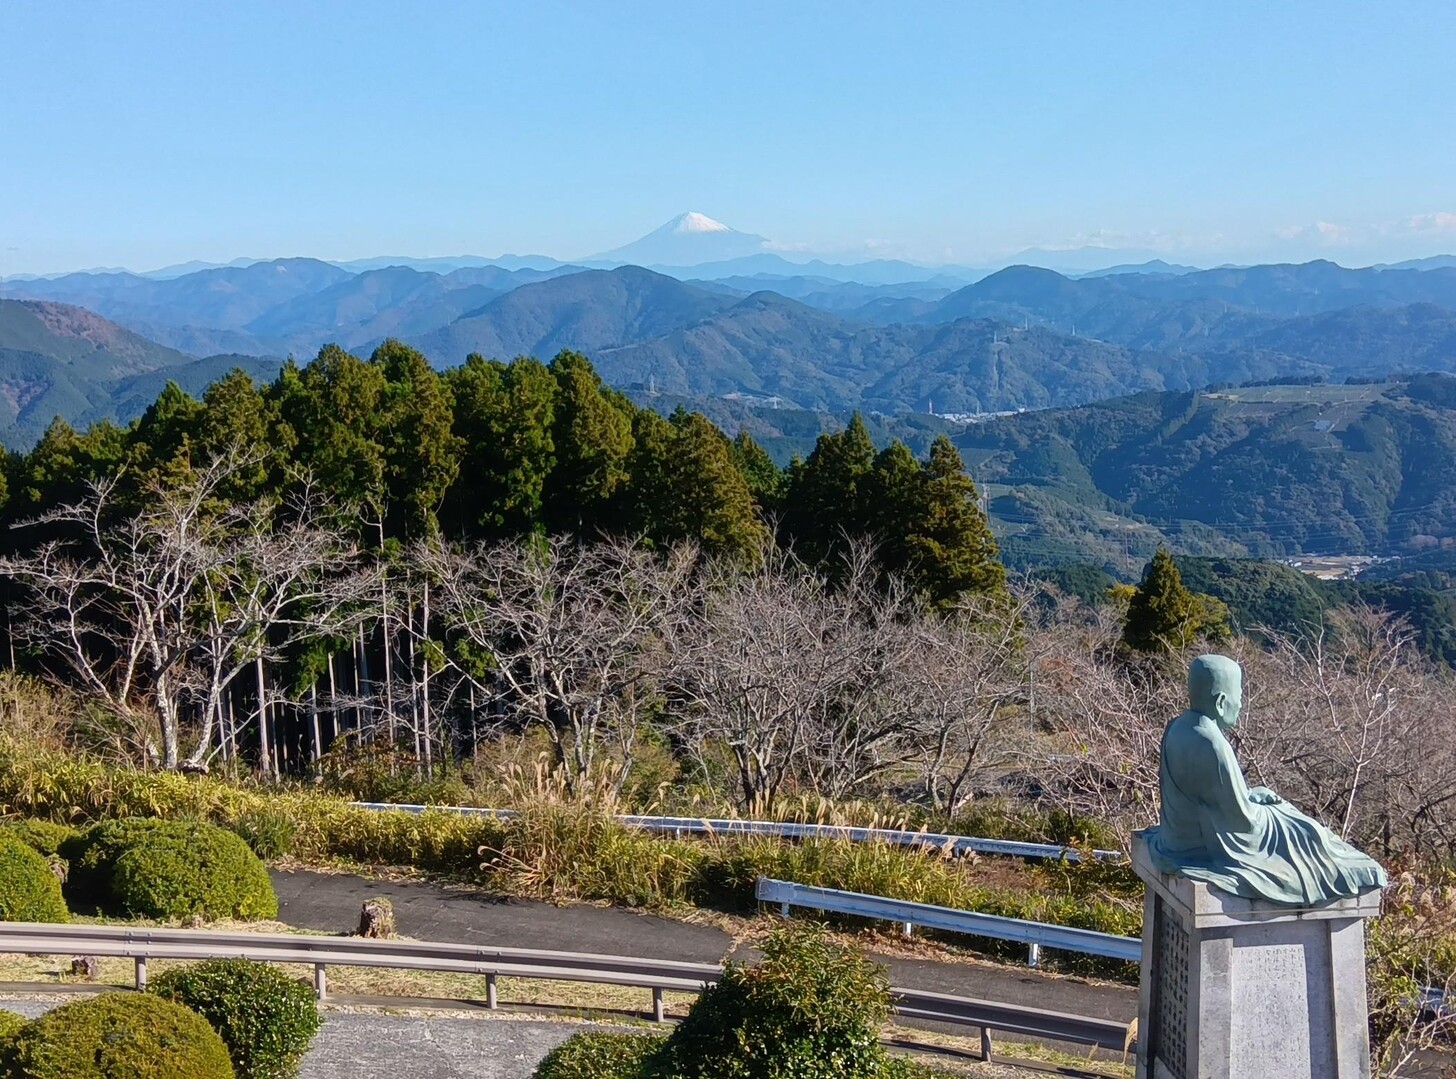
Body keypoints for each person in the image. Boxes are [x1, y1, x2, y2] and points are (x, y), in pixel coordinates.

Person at [1138, 654, 1386, 905]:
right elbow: (1241, 821)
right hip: (1207, 844)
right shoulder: (1212, 745)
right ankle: (1338, 860)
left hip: (1178, 838)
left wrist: (1248, 795)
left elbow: (1212, 799)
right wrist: (1270, 810)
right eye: (1240, 697)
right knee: (1304, 830)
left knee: (1284, 814)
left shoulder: (1177, 726)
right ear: (1222, 702)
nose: (1242, 705)